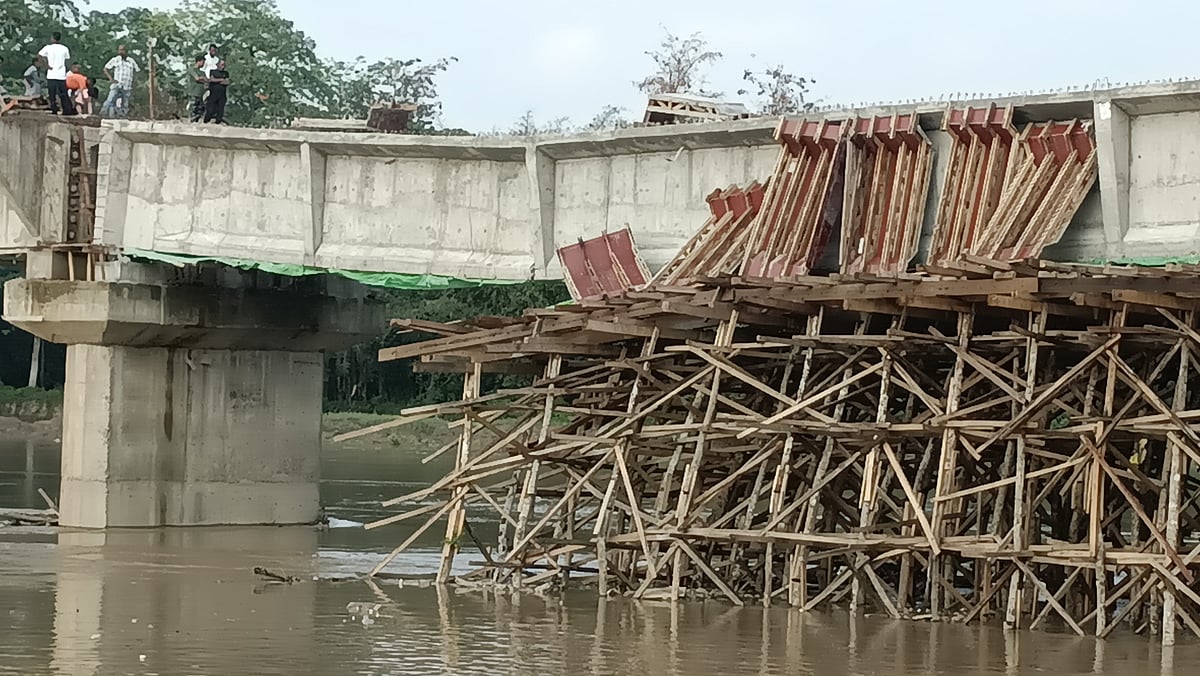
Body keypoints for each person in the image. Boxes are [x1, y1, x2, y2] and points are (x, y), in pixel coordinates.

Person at [38, 32, 75, 116]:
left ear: (52, 38)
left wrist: (46, 65)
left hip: (51, 73)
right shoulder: (64, 48)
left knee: (52, 93)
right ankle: (67, 109)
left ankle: (54, 109)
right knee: (63, 93)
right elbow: (67, 60)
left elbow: (39, 55)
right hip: (61, 74)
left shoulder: (48, 48)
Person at [100, 44, 139, 119]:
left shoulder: (131, 61)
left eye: (123, 50)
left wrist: (134, 82)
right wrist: (111, 79)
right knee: (110, 100)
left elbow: (137, 71)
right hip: (117, 84)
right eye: (120, 50)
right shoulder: (115, 59)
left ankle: (122, 117)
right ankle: (102, 114)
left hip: (127, 85)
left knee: (125, 103)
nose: (121, 52)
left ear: (126, 51)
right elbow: (105, 69)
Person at [203, 60, 230, 124]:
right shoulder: (213, 71)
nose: (223, 66)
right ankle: (206, 121)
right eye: (221, 64)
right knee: (210, 109)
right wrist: (221, 79)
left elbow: (227, 82)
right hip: (213, 94)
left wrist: (217, 80)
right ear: (217, 65)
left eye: (224, 64)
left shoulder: (226, 73)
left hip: (222, 95)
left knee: (220, 109)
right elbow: (211, 79)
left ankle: (218, 122)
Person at [187, 54, 208, 122]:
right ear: (198, 61)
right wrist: (202, 79)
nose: (203, 64)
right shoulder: (192, 69)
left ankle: (196, 122)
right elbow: (197, 78)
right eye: (202, 62)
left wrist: (203, 79)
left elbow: (207, 80)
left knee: (200, 110)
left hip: (201, 94)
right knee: (193, 109)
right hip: (194, 93)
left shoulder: (202, 72)